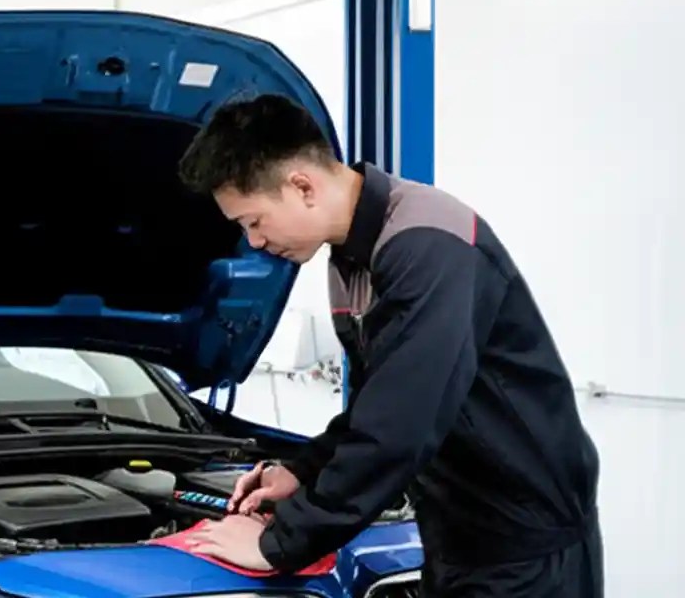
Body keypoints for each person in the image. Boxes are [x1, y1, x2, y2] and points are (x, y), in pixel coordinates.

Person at [174, 93, 603, 597]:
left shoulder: (427, 244)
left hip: (524, 549)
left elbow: (401, 422)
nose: (255, 243)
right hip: (460, 533)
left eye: (253, 221)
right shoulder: (351, 258)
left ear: (302, 186)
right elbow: (376, 404)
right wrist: (301, 473)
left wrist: (279, 544)